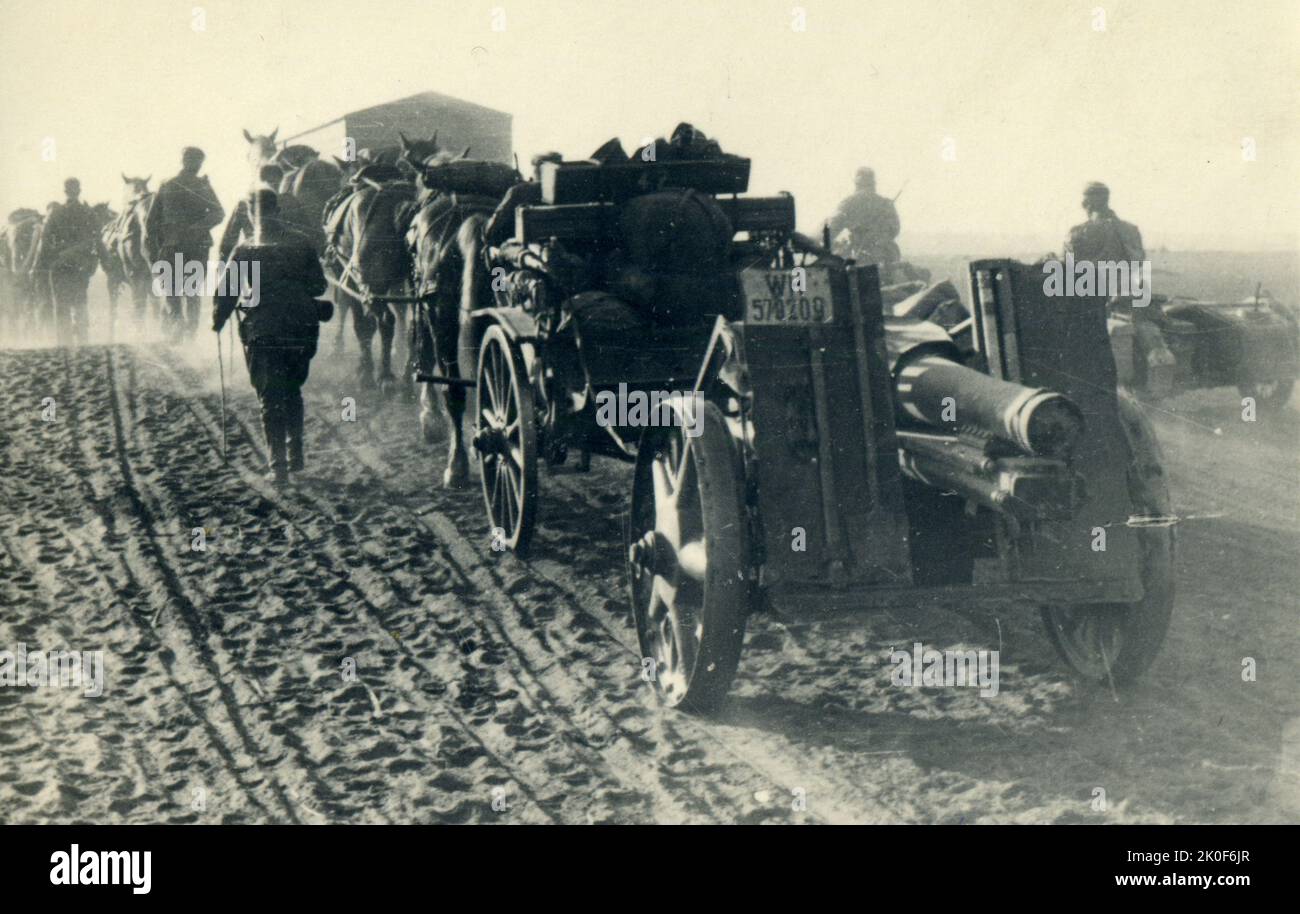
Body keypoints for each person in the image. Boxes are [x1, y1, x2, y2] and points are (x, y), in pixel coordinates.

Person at [212, 190, 329, 485]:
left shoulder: (245, 250)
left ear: (251, 215)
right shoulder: (302, 244)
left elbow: (226, 295)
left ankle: (278, 466)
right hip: (301, 329)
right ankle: (296, 452)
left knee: (269, 396)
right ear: (278, 210)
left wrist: (218, 319)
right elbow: (318, 286)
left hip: (263, 331)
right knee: (292, 389)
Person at [1064, 181, 1171, 391]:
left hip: (1090, 299)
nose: (1082, 204)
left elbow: (1069, 268)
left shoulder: (1078, 233)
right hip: (1127, 297)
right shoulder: (1130, 230)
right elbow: (1138, 261)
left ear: (1090, 202)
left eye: (1084, 199)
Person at [146, 146, 224, 342]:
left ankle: (178, 327)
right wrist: (198, 228)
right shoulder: (201, 185)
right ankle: (189, 335)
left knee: (172, 290)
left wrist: (156, 247)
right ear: (193, 163)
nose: (197, 166)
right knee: (192, 292)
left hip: (172, 245)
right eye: (197, 162)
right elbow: (218, 213)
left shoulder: (166, 184)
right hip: (196, 246)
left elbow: (150, 222)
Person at [34, 178, 99, 344]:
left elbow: (45, 241)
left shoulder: (55, 213)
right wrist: (106, 262)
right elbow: (97, 240)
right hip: (81, 266)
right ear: (79, 190)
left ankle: (64, 345)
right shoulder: (88, 212)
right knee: (80, 302)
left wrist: (38, 266)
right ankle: (84, 342)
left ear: (65, 191)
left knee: (61, 306)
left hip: (59, 265)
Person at [828, 167, 901, 268]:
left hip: (859, 256)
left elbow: (832, 228)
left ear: (857, 184)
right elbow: (895, 229)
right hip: (887, 256)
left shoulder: (849, 202)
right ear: (873, 184)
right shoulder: (886, 203)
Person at [218, 164, 284, 265]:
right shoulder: (288, 202)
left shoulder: (246, 203)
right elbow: (230, 237)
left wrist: (223, 262)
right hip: (279, 256)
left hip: (256, 254)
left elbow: (230, 237)